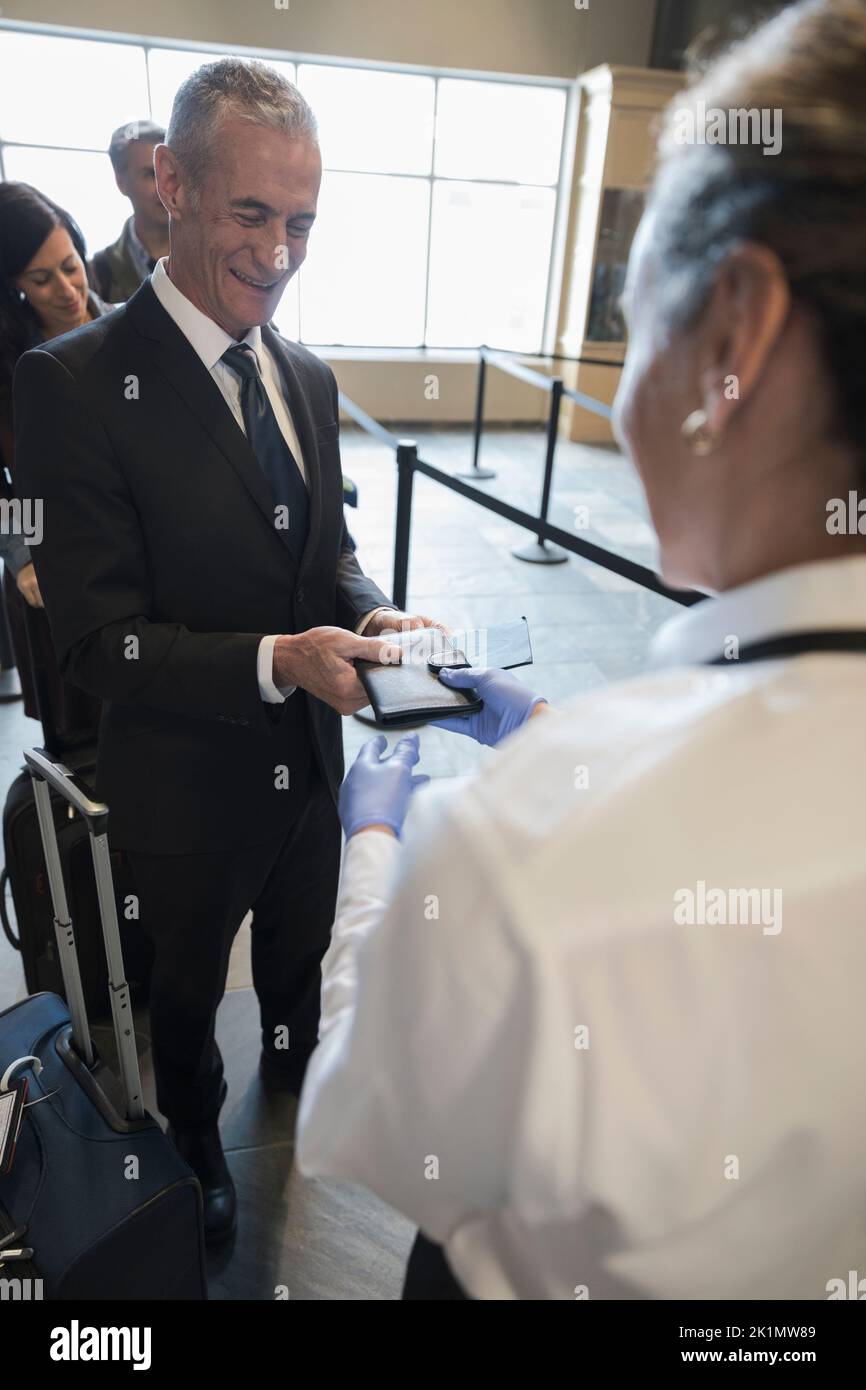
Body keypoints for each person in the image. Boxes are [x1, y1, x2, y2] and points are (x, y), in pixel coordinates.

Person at [295, 0, 866, 1299]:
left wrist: (378, 845)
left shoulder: (522, 849)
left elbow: (358, 1118)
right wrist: (548, 731)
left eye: (634, 301)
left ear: (731, 338)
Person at [13, 57, 444, 1245]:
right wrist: (275, 658)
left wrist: (372, 616)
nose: (278, 251)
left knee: (299, 960)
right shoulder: (71, 385)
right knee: (188, 992)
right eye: (251, 214)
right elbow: (96, 641)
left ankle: (298, 1085)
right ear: (171, 182)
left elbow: (329, 558)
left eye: (301, 221)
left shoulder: (304, 373)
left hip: (309, 767)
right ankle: (198, 1142)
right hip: (183, 785)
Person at [0, 183, 108, 740]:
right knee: (77, 732)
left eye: (71, 267)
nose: (67, 290)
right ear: (12, 287)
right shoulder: (9, 366)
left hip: (138, 552)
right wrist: (24, 556)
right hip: (50, 558)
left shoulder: (132, 334)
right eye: (41, 279)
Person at [90, 120, 169, 303]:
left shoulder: (209, 251)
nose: (166, 185)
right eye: (151, 174)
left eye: (171, 171)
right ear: (121, 182)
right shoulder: (100, 272)